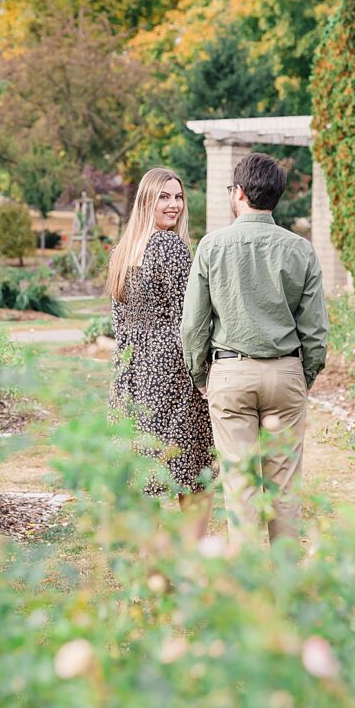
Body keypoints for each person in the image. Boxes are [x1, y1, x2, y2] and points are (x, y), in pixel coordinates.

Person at [181, 152, 328, 549]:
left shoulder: (212, 246)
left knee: (240, 485)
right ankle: (283, 583)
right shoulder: (301, 249)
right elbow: (315, 330)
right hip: (285, 372)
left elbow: (193, 324)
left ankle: (248, 591)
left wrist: (200, 375)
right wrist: (303, 375)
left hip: (230, 372)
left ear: (239, 193)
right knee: (283, 486)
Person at [107, 167, 216, 541]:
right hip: (171, 372)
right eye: (164, 197)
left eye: (178, 196)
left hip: (132, 375)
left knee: (144, 476)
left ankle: (151, 568)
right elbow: (193, 316)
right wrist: (203, 369)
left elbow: (118, 323)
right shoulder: (169, 246)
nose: (174, 205)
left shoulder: (123, 252)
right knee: (194, 473)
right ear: (146, 202)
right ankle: (192, 565)